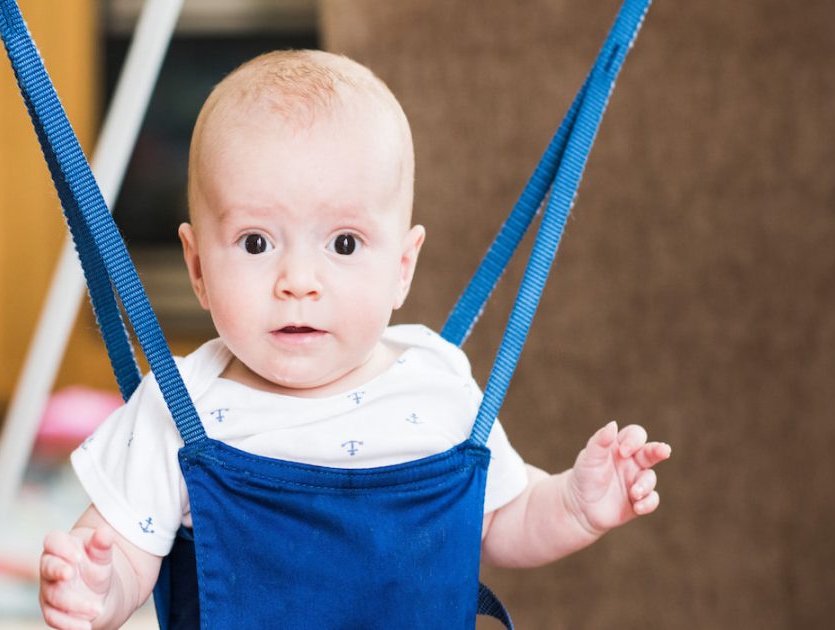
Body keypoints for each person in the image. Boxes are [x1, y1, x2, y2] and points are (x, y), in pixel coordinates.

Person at [38, 49, 671, 630]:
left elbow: (504, 520)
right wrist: (96, 587)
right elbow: (123, 549)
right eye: (256, 242)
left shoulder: (437, 384)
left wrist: (574, 506)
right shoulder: (176, 409)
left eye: (344, 244)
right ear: (198, 266)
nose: (298, 282)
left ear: (403, 266)